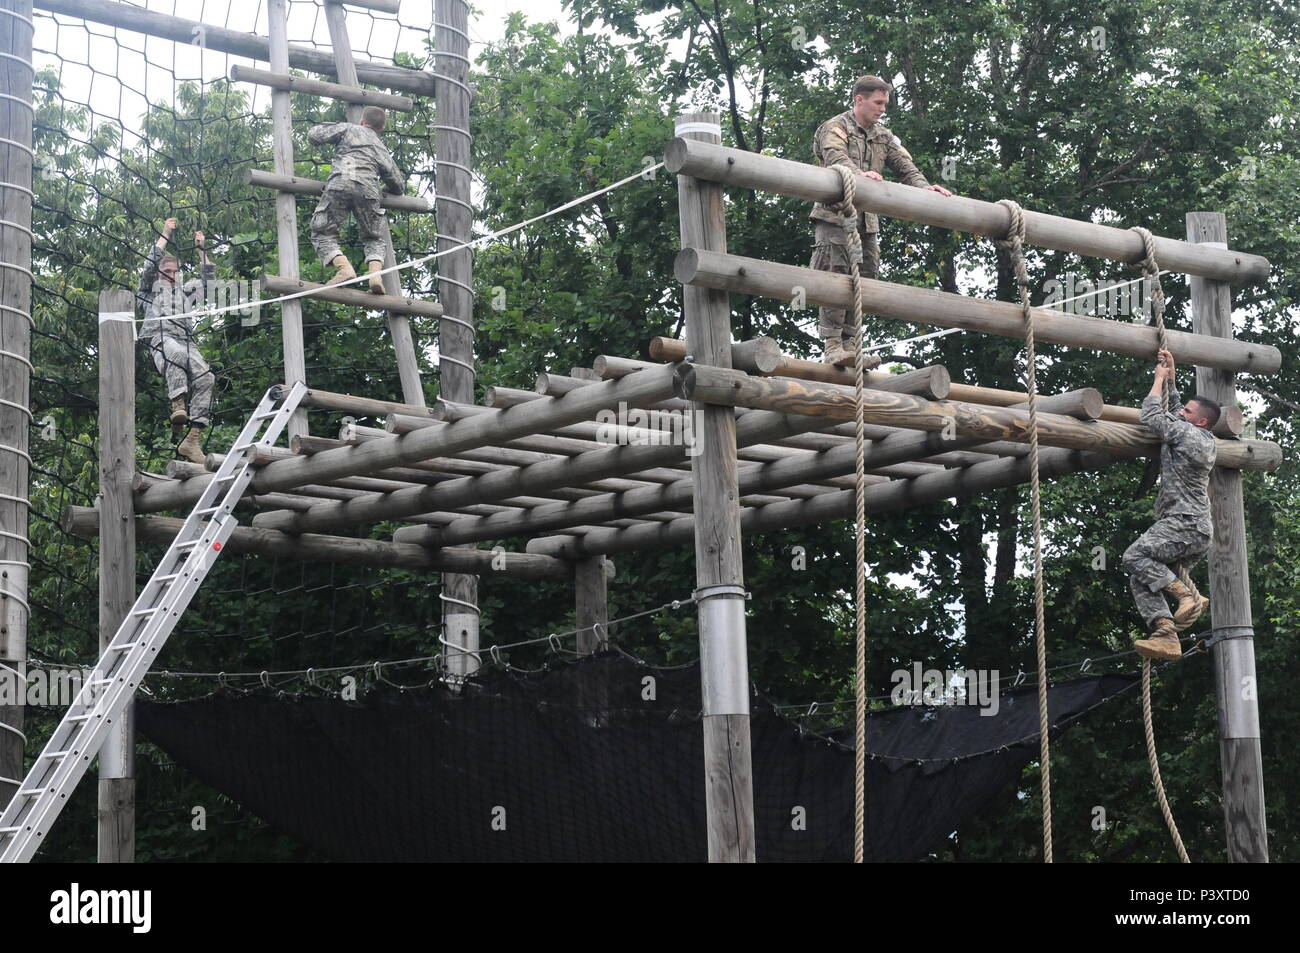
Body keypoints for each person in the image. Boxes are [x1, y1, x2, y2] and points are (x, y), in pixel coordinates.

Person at [810, 74, 953, 365]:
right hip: (834, 217)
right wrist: (860, 175)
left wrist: (926, 188)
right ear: (859, 100)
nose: (883, 109)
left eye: (885, 103)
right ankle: (833, 345)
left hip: (867, 222)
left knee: (866, 280)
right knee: (835, 278)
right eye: (878, 103)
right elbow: (835, 158)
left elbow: (906, 167)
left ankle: (851, 344)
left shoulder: (883, 135)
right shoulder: (836, 127)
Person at [1123, 348, 1218, 660]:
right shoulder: (1199, 436)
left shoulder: (1186, 435)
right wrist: (1172, 378)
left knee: (1134, 555)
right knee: (1142, 576)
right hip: (1196, 532)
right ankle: (1166, 634)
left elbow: (1151, 415)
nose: (1181, 413)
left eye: (1189, 413)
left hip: (1184, 524)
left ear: (1201, 421)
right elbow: (1176, 409)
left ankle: (1185, 594)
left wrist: (1158, 379)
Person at [138, 217, 216, 464]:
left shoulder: (184, 292)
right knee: (176, 355)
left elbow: (209, 282)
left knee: (207, 378)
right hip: (160, 339)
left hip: (187, 340)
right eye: (167, 271)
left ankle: (191, 440)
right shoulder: (147, 290)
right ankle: (177, 405)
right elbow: (150, 264)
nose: (171, 275)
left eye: (175, 271)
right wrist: (165, 233)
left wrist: (201, 251)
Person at [308, 105, 405, 293]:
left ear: (362, 122)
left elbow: (315, 135)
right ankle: (375, 276)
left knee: (321, 230)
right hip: (368, 190)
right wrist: (384, 189)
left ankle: (344, 268)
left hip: (341, 182)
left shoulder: (348, 128)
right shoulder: (380, 147)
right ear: (382, 128)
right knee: (374, 237)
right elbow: (398, 185)